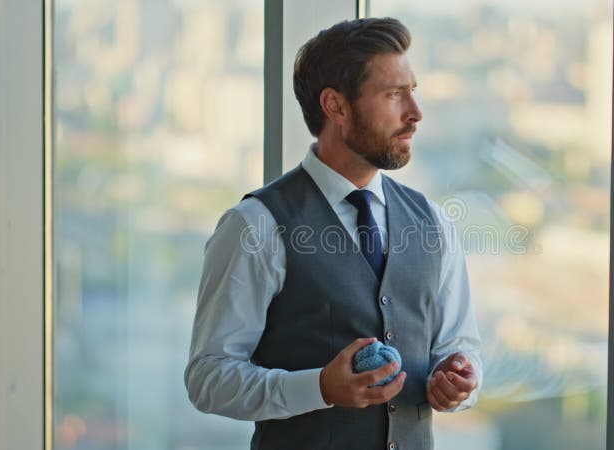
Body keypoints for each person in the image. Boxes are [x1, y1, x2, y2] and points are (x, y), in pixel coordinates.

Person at [184, 17, 482, 450]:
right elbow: (208, 378)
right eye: (393, 95)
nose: (415, 114)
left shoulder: (434, 222)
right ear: (336, 106)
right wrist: (319, 388)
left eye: (412, 91)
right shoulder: (255, 225)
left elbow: (460, 347)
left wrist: (458, 382)